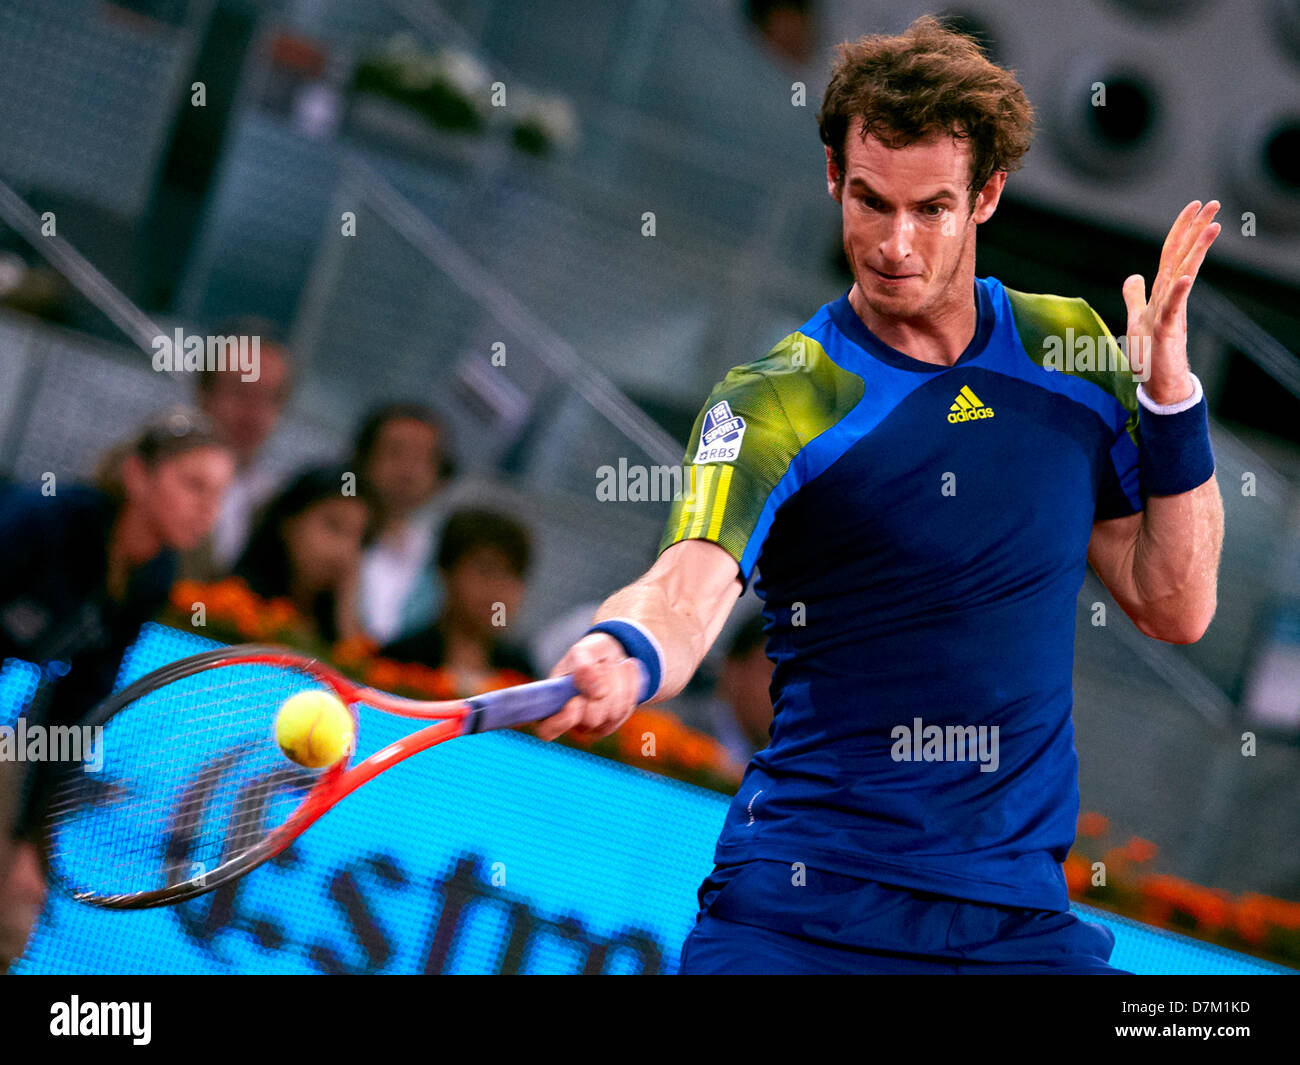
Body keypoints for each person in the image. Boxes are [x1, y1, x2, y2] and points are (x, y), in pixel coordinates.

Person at [537, 16, 1224, 974]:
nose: (895, 243)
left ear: (986, 196)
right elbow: (687, 584)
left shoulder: (1069, 351)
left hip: (1012, 924)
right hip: (801, 910)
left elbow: (1175, 603)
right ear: (834, 178)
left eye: (931, 208)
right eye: (869, 201)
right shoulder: (779, 396)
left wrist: (1168, 397)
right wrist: (627, 648)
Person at [0, 407, 234, 969]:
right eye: (192, 485)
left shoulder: (153, 573)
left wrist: (32, 844)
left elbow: (76, 709)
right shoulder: (47, 522)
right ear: (137, 476)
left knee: (16, 910)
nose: (208, 508)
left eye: (220, 493)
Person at [381, 508, 535, 695]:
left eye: (513, 575)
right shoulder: (398, 661)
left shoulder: (525, 677)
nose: (499, 589)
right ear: (446, 572)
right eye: (487, 571)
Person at [188, 316, 294, 577]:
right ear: (203, 394)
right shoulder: (153, 481)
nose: (253, 414)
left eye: (268, 398)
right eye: (240, 392)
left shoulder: (276, 510)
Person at [353, 403, 456, 645]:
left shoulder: (436, 557)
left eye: (423, 459)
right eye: (395, 453)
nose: (408, 471)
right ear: (363, 459)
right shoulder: (334, 535)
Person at [233, 466, 371, 647]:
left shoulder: (338, 625)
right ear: (289, 522)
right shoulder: (230, 605)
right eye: (333, 526)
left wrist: (345, 619)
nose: (346, 551)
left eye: (360, 538)